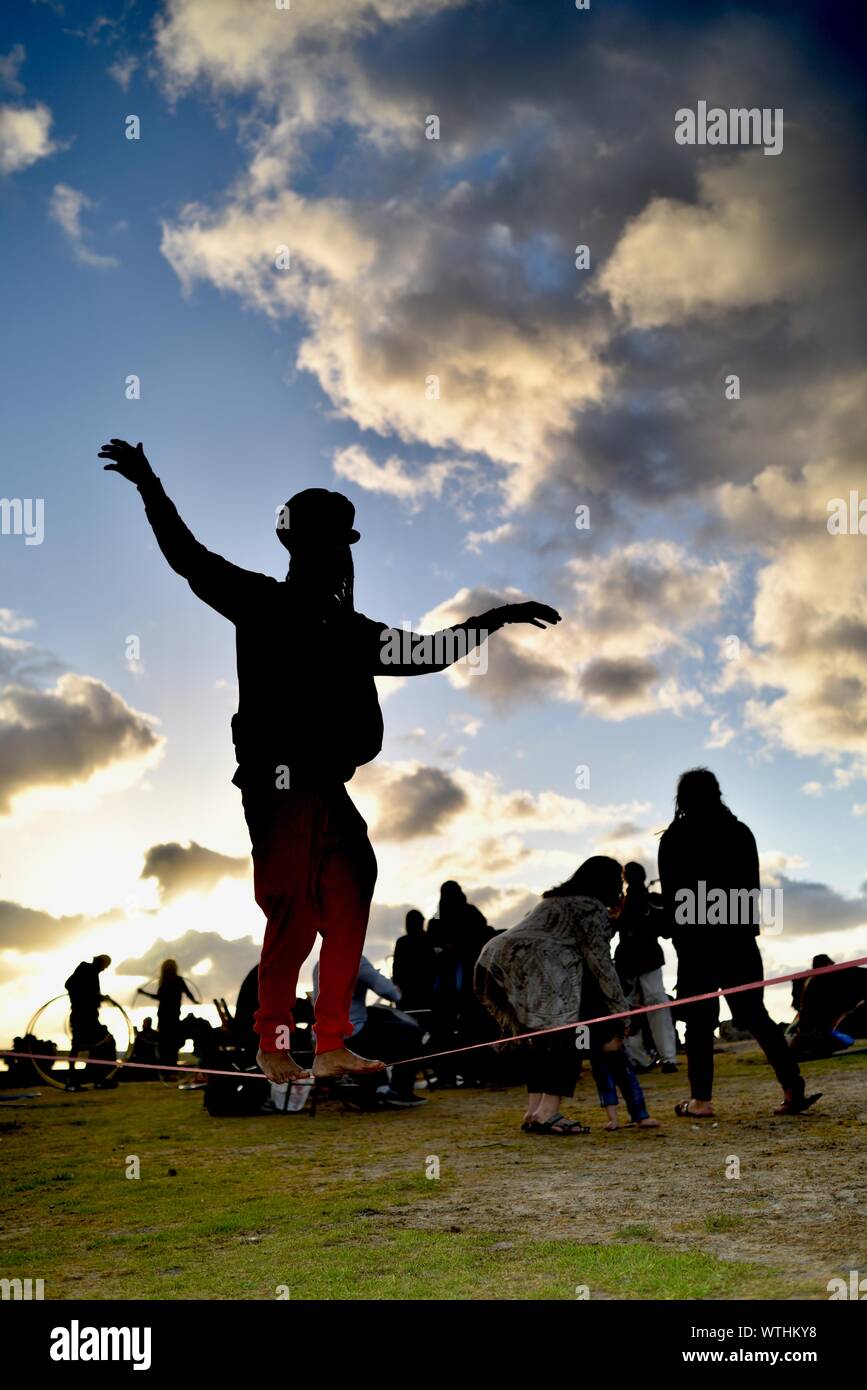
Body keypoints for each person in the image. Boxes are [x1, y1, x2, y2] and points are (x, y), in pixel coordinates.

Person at [100, 438, 560, 1086]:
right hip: (277, 780)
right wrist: (149, 484)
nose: (338, 554)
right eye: (327, 541)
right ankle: (272, 1043)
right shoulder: (259, 601)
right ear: (301, 547)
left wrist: (494, 618)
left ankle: (332, 1041)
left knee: (353, 879)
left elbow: (426, 651)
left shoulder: (349, 628)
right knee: (293, 910)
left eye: (342, 543)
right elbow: (189, 559)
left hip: (323, 784)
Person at [658, 768, 821, 1118]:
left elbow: (673, 898)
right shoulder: (740, 832)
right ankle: (793, 1087)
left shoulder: (675, 837)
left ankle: (701, 1101)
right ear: (718, 792)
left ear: (682, 797)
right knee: (755, 1015)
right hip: (737, 938)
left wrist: (676, 929)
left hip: (697, 942)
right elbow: (750, 888)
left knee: (699, 1022)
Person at [475, 856, 631, 1135]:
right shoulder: (590, 907)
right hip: (538, 966)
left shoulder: (555, 900)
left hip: (494, 959)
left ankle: (534, 1110)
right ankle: (547, 1113)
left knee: (539, 1041)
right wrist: (622, 1012)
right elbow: (601, 965)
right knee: (567, 1035)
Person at [313, 955, 427, 1107]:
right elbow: (390, 993)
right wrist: (395, 988)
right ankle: (400, 1092)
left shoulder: (320, 963)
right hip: (351, 1033)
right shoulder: (355, 960)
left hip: (321, 1037)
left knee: (375, 1028)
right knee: (411, 1033)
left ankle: (373, 1089)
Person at [614, 862, 678, 1073]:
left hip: (644, 957)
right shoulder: (624, 903)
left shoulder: (648, 901)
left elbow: (666, 928)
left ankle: (659, 1058)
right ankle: (653, 1058)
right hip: (632, 960)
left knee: (650, 1005)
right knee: (638, 1008)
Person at [136, 959, 197, 1066]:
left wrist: (143, 993)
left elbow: (186, 993)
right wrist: (195, 1001)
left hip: (169, 1015)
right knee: (168, 1041)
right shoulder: (174, 980)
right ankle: (169, 1066)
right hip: (167, 1015)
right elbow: (186, 993)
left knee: (168, 1041)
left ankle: (170, 1066)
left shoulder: (171, 981)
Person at [391, 910, 434, 1015]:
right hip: (427, 994)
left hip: (406, 995)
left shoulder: (402, 942)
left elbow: (396, 969)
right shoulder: (429, 941)